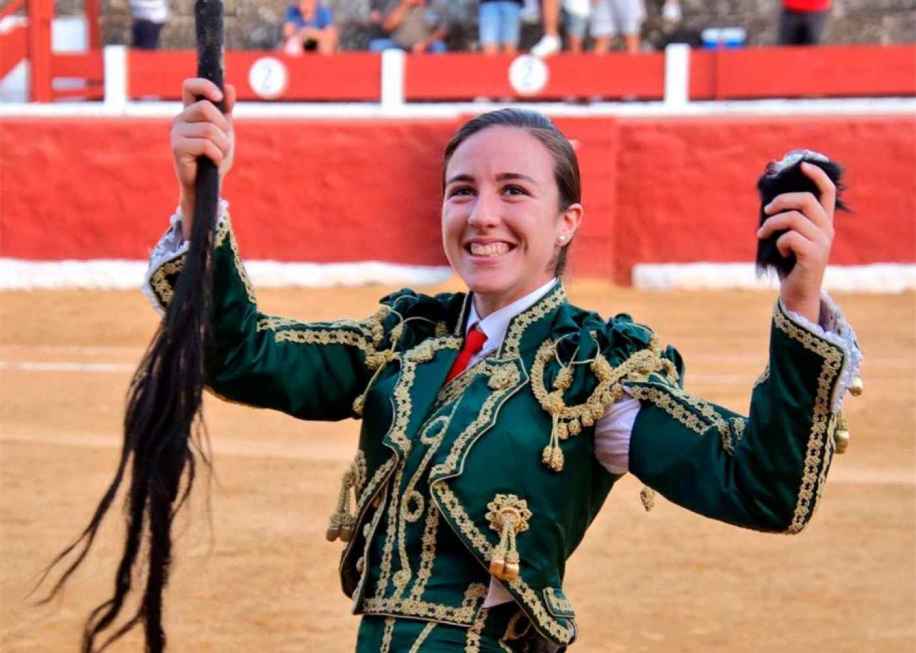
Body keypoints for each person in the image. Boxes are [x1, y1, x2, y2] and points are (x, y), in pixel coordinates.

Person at [145, 77, 861, 651]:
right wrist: (196, 195)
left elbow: (761, 486)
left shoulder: (591, 373)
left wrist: (801, 303)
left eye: (514, 190)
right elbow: (239, 354)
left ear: (566, 223)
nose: (482, 214)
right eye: (463, 190)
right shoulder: (405, 340)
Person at [369, 0, 450, 54]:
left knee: (440, 47)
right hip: (399, 44)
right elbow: (388, 26)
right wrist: (405, 5)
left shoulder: (436, 5)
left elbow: (443, 30)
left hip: (427, 44)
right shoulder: (396, 3)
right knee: (376, 46)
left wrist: (425, 43)